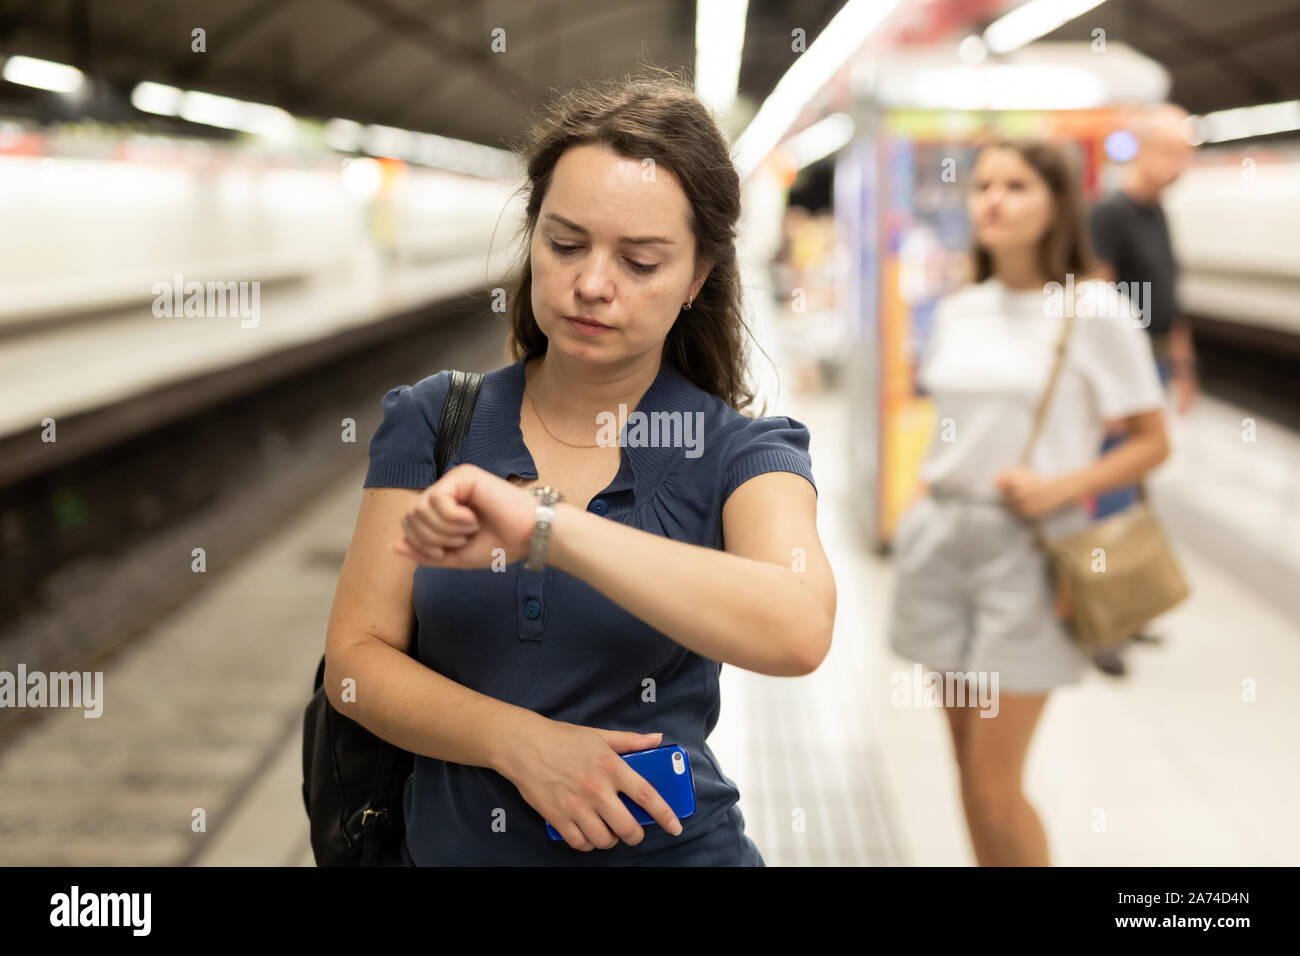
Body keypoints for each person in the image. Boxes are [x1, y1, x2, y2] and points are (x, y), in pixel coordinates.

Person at [323, 70, 836, 866]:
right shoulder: (434, 421)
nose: (592, 284)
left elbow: (799, 627)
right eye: (565, 245)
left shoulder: (742, 452)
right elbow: (356, 662)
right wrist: (520, 744)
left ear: (698, 278)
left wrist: (547, 530)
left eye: (640, 262)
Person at [888, 139, 1170, 866]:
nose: (993, 200)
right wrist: (921, 505)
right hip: (942, 541)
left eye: (1016, 185)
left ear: (1056, 206)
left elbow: (1151, 441)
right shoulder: (961, 308)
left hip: (1029, 551)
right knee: (963, 770)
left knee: (993, 781)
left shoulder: (1093, 309)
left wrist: (1059, 489)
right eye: (983, 185)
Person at [1086, 103, 1198, 676]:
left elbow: (1169, 297)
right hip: (1121, 379)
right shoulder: (1109, 214)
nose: (1181, 166)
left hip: (1149, 370)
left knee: (1130, 494)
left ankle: (1127, 610)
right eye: (1174, 153)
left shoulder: (1158, 214)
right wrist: (1106, 389)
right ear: (1146, 149)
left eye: (1187, 156)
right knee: (1108, 496)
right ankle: (1101, 621)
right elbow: (1096, 305)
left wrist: (1183, 369)